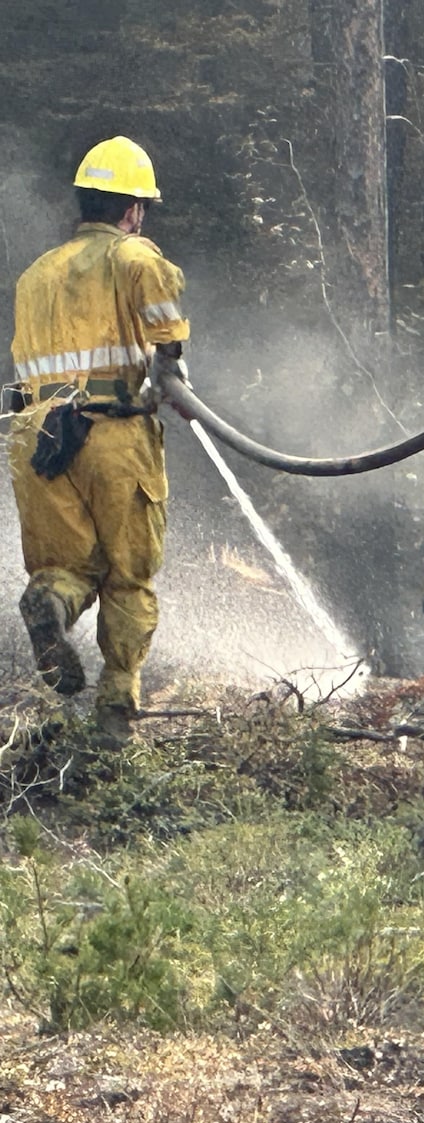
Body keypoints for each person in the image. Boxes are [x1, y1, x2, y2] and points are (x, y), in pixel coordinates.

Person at [8, 135, 190, 745]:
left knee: (67, 567)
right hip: (114, 433)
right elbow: (164, 310)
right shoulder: (135, 258)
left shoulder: (35, 276)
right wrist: (169, 364)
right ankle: (115, 715)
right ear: (133, 211)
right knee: (127, 575)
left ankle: (51, 607)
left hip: (39, 440)